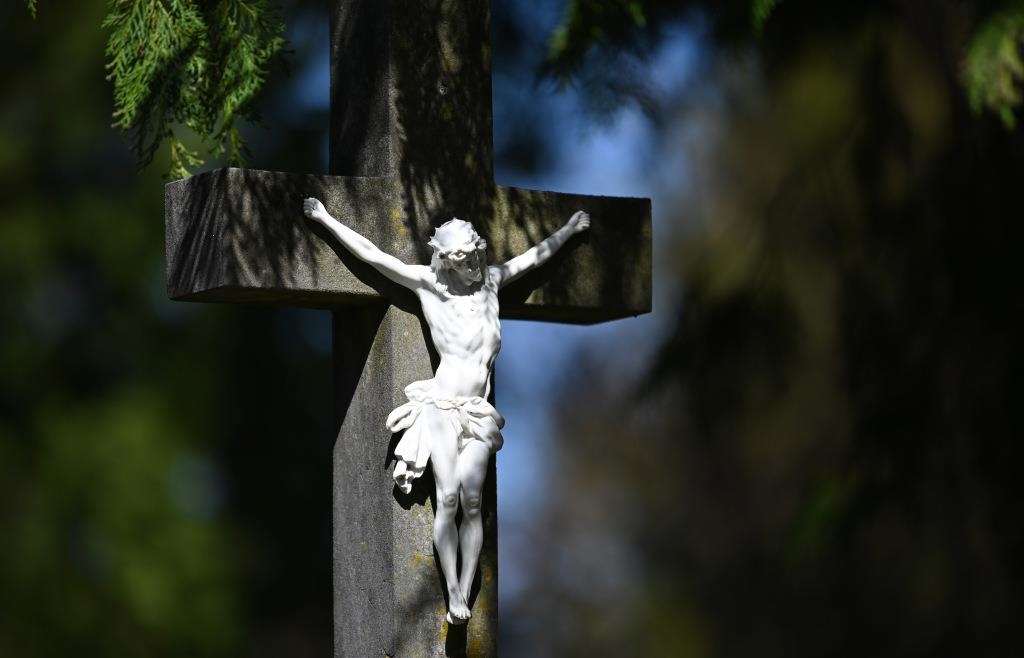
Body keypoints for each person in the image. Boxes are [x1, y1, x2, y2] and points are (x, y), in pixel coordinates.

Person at [302, 197, 590, 624]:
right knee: (449, 498)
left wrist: (568, 231)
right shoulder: (427, 287)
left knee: (473, 503)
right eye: (462, 258)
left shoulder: (492, 283)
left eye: (475, 253)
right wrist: (326, 220)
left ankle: (466, 590)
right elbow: (373, 255)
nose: (473, 262)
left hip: (478, 412)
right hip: (440, 406)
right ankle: (452, 590)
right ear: (445, 260)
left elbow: (531, 259)